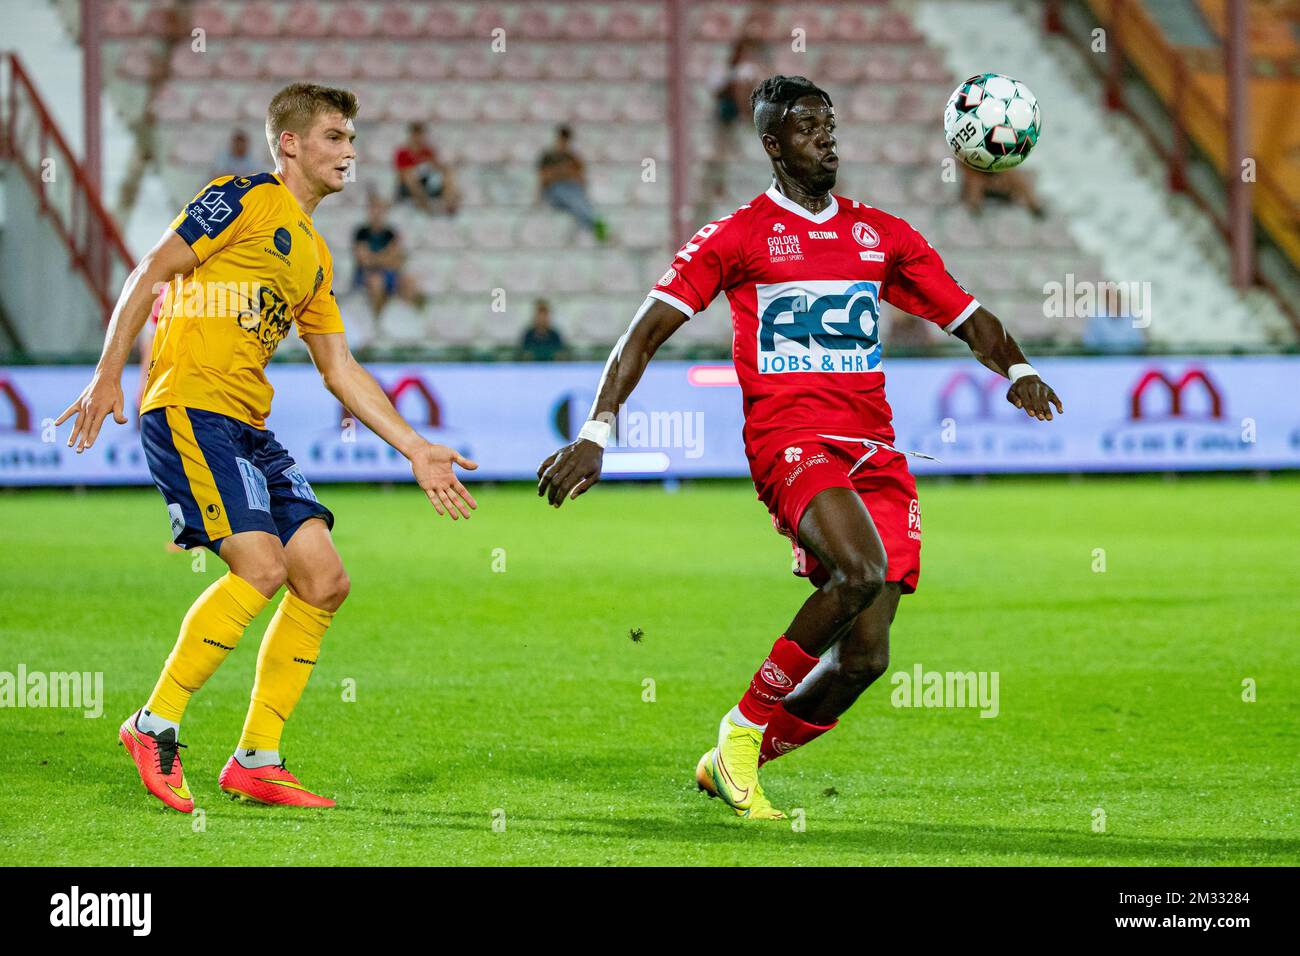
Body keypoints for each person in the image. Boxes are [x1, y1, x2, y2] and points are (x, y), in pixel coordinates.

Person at [537, 75, 1063, 820]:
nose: (828, 138)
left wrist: (1019, 367)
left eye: (832, 125)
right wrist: (596, 431)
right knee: (856, 571)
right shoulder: (739, 235)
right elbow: (643, 331)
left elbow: (966, 314)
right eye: (810, 127)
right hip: (790, 439)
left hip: (872, 450)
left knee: (865, 658)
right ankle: (742, 731)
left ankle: (734, 760)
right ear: (773, 144)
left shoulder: (881, 234)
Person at [57, 83, 479, 814]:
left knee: (323, 579)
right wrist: (106, 375)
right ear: (290, 144)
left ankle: (256, 758)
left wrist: (415, 447)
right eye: (335, 136)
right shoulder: (242, 196)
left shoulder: (314, 254)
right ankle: (152, 724)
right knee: (260, 565)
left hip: (248, 424)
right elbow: (149, 270)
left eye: (352, 138)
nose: (351, 151)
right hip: (190, 405)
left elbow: (339, 369)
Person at [353, 196, 424, 318]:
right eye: (374, 209)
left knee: (410, 281)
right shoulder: (362, 232)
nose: (377, 213)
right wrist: (385, 257)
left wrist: (374, 257)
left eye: (379, 209)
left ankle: (413, 321)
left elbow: (396, 260)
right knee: (377, 281)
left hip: (388, 273)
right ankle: (377, 319)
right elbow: (364, 261)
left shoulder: (390, 233)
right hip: (366, 275)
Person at [537, 125, 607, 241]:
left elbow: (580, 177)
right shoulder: (549, 156)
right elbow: (544, 177)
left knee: (580, 203)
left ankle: (593, 229)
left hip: (572, 189)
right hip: (555, 191)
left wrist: (561, 173)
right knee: (575, 201)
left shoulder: (573, 157)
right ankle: (597, 228)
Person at [393, 122, 460, 215]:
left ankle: (450, 204)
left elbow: (437, 166)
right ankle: (426, 207)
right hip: (408, 186)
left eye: (420, 135)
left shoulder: (427, 150)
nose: (418, 139)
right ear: (411, 136)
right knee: (410, 177)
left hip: (425, 181)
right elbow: (402, 175)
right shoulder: (402, 152)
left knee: (448, 173)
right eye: (416, 135)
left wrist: (445, 169)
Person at [961, 164, 1045, 218]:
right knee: (975, 181)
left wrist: (1034, 206)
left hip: (1006, 194)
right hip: (982, 193)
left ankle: (1036, 210)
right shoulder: (974, 178)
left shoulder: (1011, 174)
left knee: (1019, 177)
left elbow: (1023, 185)